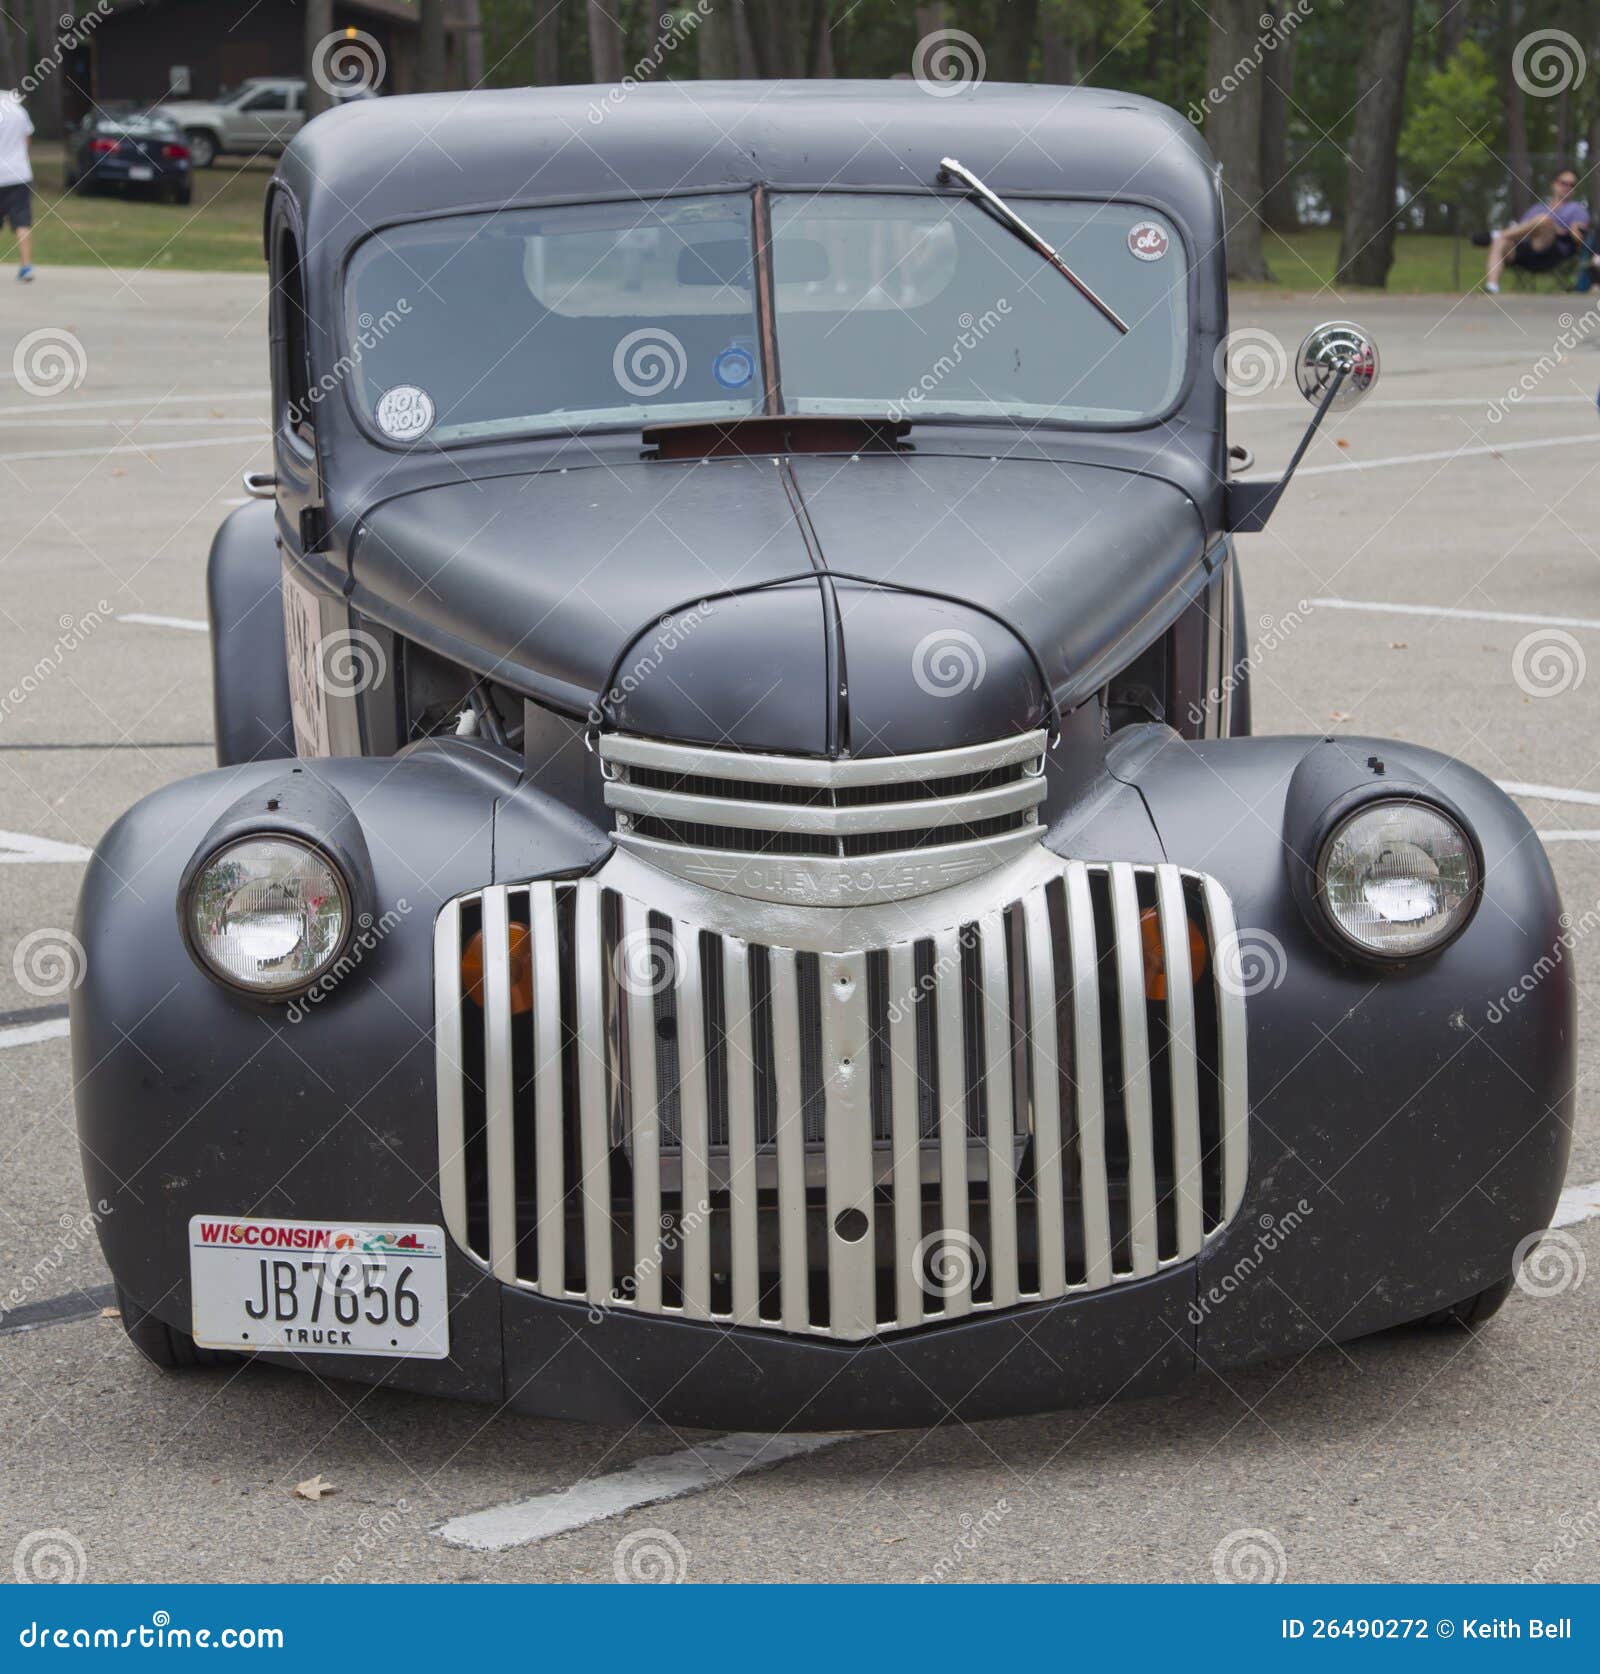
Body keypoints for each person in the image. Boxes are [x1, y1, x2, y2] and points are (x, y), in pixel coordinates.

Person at [1481, 168, 1589, 293]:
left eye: (1572, 185)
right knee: (1501, 241)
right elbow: (1521, 229)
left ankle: (1496, 234)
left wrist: (1570, 231)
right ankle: (1492, 285)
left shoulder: (1577, 210)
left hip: (1551, 253)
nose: (1568, 187)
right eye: (1564, 183)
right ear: (1554, 184)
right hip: (1525, 250)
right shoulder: (1537, 208)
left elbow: (1578, 239)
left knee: (1544, 219)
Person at [0, 86, 34, 282]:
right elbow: (27, 140)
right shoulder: (20, 112)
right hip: (19, 173)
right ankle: (26, 266)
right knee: (22, 221)